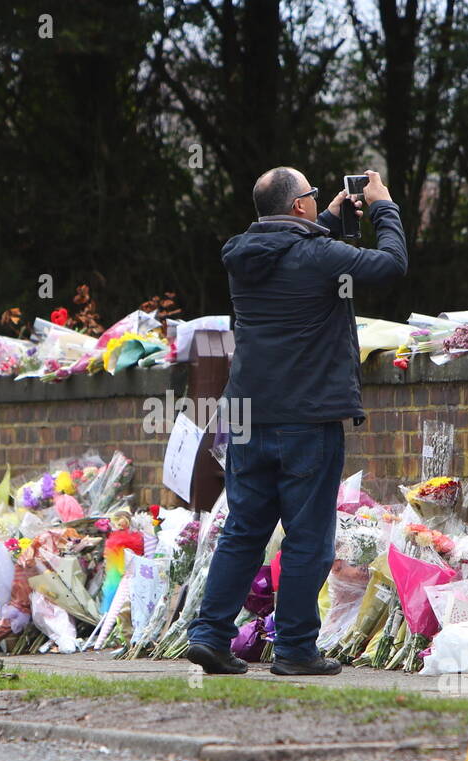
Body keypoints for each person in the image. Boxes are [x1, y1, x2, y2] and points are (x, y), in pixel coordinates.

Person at [185, 167, 408, 675]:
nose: (314, 201)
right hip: (307, 417)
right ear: (297, 208)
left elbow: (291, 251)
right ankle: (294, 650)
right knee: (308, 535)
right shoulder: (320, 256)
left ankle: (210, 636)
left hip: (247, 415)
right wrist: (383, 206)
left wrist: (325, 215)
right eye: (309, 196)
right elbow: (391, 265)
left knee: (243, 529)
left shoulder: (241, 256)